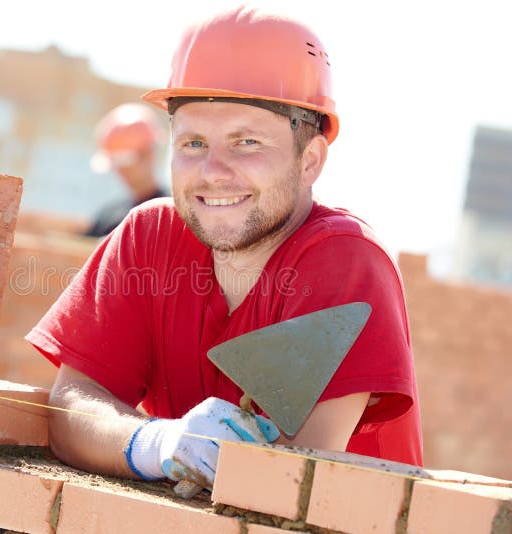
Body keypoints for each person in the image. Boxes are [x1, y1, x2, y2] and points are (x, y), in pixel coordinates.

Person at [27, 4, 423, 489]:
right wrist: (157, 444)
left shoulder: (345, 260)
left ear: (311, 160)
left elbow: (290, 480)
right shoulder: (148, 237)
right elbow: (71, 404)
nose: (212, 172)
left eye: (246, 142)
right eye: (193, 143)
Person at [85, 103, 167, 237]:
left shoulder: (171, 215)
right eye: (116, 162)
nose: (120, 170)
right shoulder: (108, 215)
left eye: (124, 160)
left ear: (149, 154)